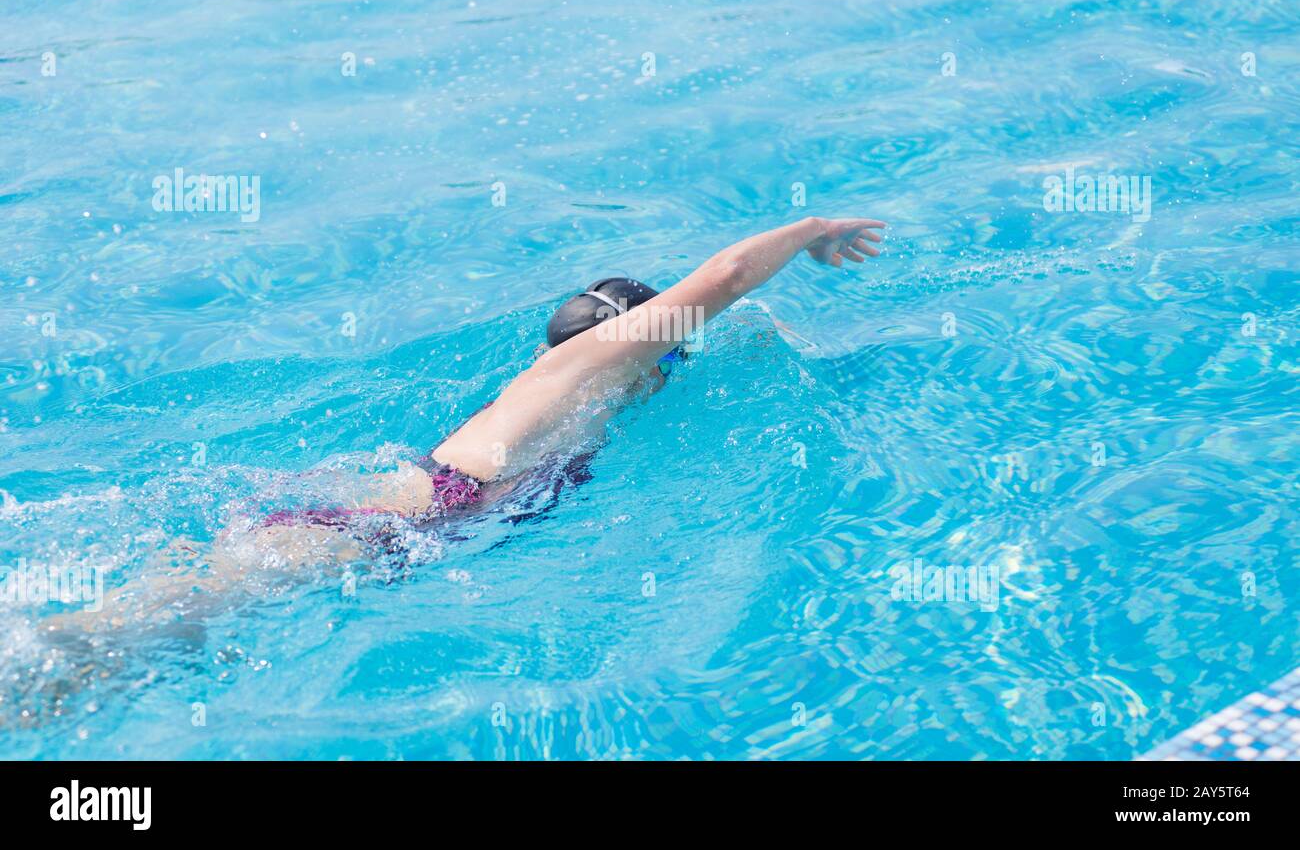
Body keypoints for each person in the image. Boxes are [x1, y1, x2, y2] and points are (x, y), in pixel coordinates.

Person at [44, 215, 884, 635]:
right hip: (393, 520)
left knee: (171, 631)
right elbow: (729, 273)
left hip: (408, 521)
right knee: (129, 632)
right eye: (670, 353)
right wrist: (815, 229)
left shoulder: (565, 390)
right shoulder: (606, 362)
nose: (670, 369)